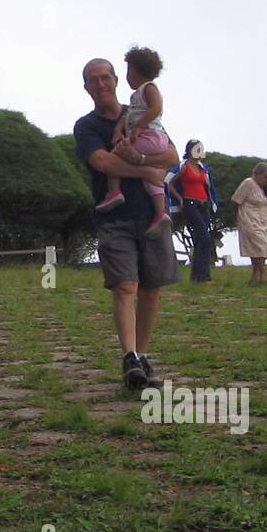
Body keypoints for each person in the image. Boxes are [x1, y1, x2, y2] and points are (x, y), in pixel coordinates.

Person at [74, 58, 181, 391]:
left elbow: (173, 156)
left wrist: (143, 161)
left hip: (152, 216)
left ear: (117, 80)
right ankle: (129, 358)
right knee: (126, 286)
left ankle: (143, 355)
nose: (101, 84)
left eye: (106, 77)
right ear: (87, 88)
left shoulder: (140, 110)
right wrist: (147, 172)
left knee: (151, 289)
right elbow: (102, 161)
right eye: (94, 80)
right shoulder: (86, 126)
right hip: (114, 218)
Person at [96, 47, 172, 238]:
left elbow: (156, 108)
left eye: (128, 70)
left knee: (116, 154)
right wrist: (118, 129)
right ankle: (161, 213)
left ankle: (114, 192)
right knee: (151, 180)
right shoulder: (137, 96)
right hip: (152, 138)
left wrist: (139, 126)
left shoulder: (149, 88)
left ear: (134, 71)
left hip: (150, 137)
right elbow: (128, 115)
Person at [167, 139, 221, 283]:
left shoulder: (203, 168)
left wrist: (212, 201)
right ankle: (203, 276)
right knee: (204, 238)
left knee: (200, 238)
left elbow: (209, 186)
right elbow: (169, 182)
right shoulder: (183, 167)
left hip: (204, 204)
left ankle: (197, 275)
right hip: (190, 203)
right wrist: (179, 198)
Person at [231, 162, 267, 284]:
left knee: (261, 247)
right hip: (249, 219)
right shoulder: (248, 183)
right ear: (258, 174)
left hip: (263, 221)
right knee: (258, 246)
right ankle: (263, 274)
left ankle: (256, 275)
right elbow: (236, 200)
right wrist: (236, 218)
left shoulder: (265, 188)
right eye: (265, 177)